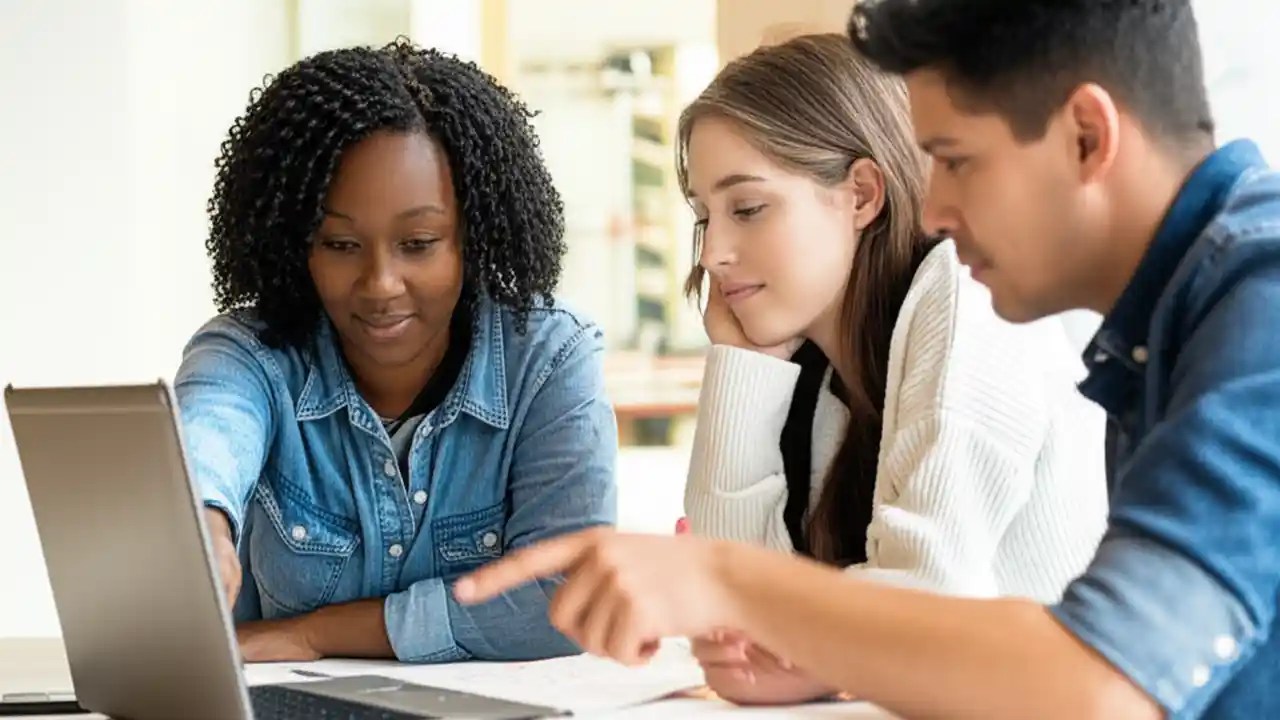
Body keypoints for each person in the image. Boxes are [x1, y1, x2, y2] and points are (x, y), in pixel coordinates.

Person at [455, 1, 1280, 717]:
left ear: (1086, 136)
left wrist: (724, 581)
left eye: (954, 161)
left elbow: (1106, 678)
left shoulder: (1260, 305)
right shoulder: (1179, 315)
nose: (937, 206)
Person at [677, 33, 1106, 705]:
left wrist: (803, 646)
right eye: (704, 218)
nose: (714, 255)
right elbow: (737, 613)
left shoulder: (965, 291)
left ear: (862, 194)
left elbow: (929, 599)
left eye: (749, 208)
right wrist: (742, 369)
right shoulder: (820, 385)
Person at [177, 39, 617, 664]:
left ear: (474, 235)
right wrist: (200, 522)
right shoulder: (252, 354)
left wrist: (314, 634)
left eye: (418, 242)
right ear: (294, 244)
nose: (381, 285)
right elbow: (207, 436)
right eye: (339, 244)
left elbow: (567, 597)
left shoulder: (548, 358)